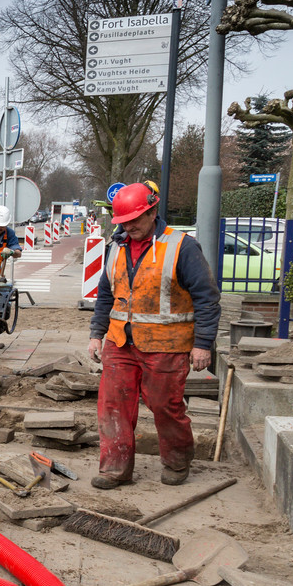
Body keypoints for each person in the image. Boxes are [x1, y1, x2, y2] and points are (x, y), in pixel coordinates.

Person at [87, 181, 220, 488]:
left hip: (167, 345)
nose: (128, 226)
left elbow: (207, 298)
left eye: (134, 220)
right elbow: (106, 296)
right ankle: (114, 469)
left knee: (165, 407)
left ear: (151, 212)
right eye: (123, 222)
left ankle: (177, 461)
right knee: (113, 406)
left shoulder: (181, 247)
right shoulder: (115, 248)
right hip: (120, 342)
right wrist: (97, 333)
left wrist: (202, 344)